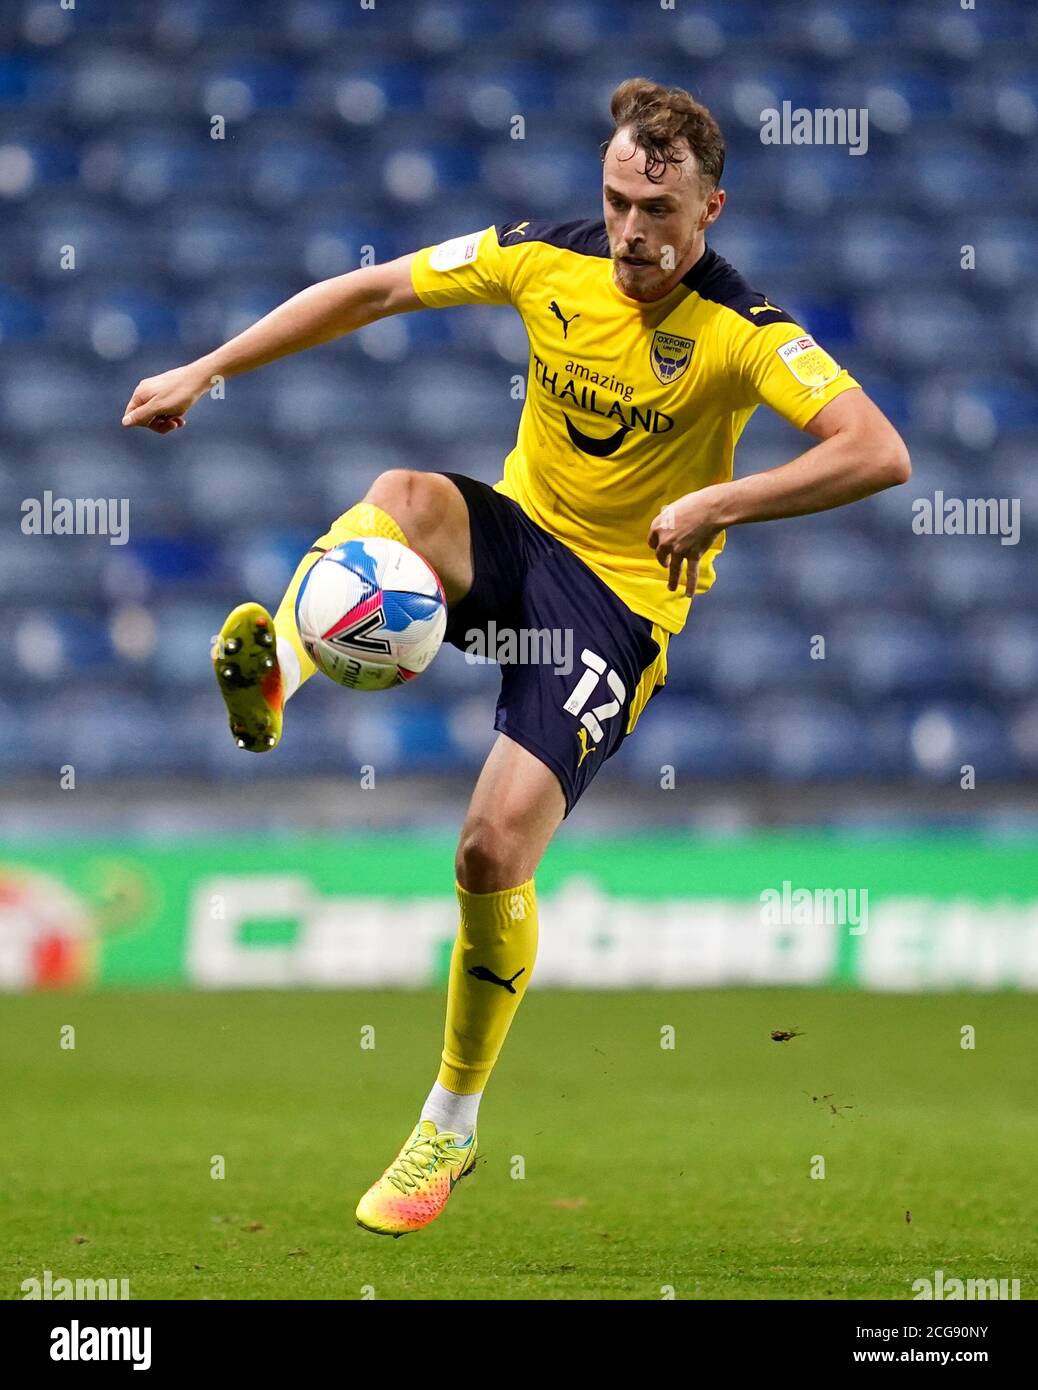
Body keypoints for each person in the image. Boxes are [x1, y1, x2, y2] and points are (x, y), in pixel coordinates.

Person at [122, 78, 911, 1237]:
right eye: (618, 200)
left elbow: (877, 451)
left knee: (490, 850)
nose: (633, 232)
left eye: (660, 211)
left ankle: (450, 1120)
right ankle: (281, 668)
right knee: (400, 495)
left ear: (711, 212)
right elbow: (379, 286)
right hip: (516, 542)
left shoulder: (745, 330)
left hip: (614, 609)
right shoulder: (546, 256)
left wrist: (722, 502)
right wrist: (208, 368)